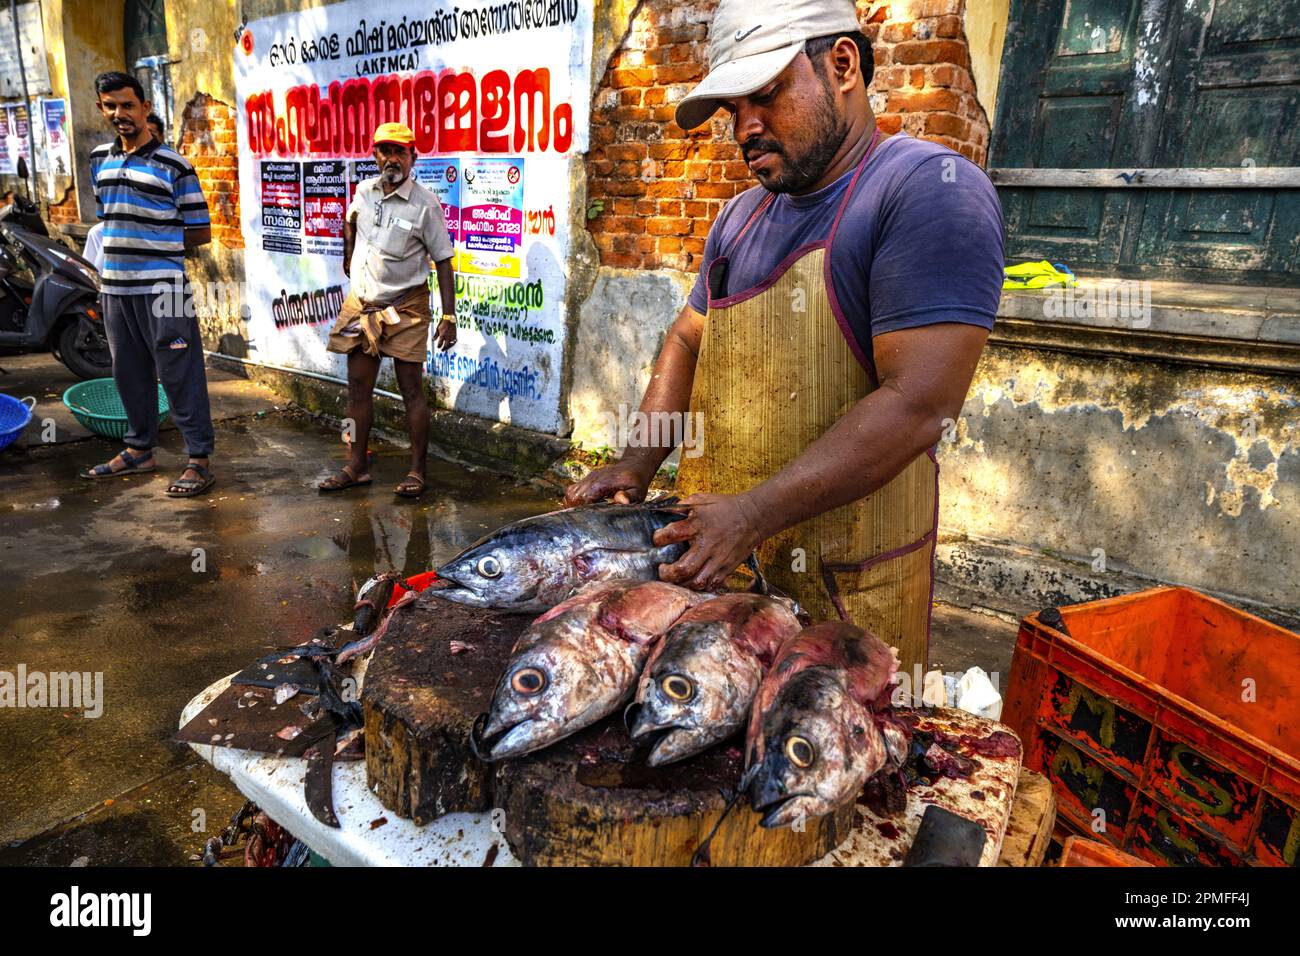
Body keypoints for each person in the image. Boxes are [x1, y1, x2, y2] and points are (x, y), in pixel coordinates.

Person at [564, 0, 1005, 676]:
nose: (745, 127)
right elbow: (688, 339)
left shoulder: (927, 192)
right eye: (732, 109)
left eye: (766, 96)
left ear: (843, 64)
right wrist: (637, 462)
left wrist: (752, 514)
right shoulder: (740, 217)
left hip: (845, 602)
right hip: (722, 576)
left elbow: (920, 402)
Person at [80, 72, 215, 497]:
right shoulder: (99, 159)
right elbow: (108, 219)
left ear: (144, 108)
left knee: (181, 374)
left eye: (127, 105)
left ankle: (198, 459)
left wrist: (155, 244)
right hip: (116, 289)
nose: (120, 114)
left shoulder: (174, 165)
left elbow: (200, 230)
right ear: (102, 110)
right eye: (110, 106)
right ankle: (139, 450)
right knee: (128, 372)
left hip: (166, 290)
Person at [319, 122, 457, 499]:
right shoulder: (364, 192)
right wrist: (348, 255)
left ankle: (417, 470)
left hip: (406, 310)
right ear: (374, 154)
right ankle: (355, 464)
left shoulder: (425, 204)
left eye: (400, 151)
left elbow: (443, 260)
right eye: (384, 151)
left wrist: (449, 315)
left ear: (413, 156)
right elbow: (350, 222)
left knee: (412, 391)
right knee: (356, 389)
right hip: (362, 306)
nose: (391, 158)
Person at [83, 113, 165, 272]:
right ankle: (88, 277)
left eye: (151, 134)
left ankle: (103, 280)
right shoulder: (118, 162)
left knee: (112, 239)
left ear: (161, 137)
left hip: (153, 225)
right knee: (96, 232)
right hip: (124, 219)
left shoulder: (167, 164)